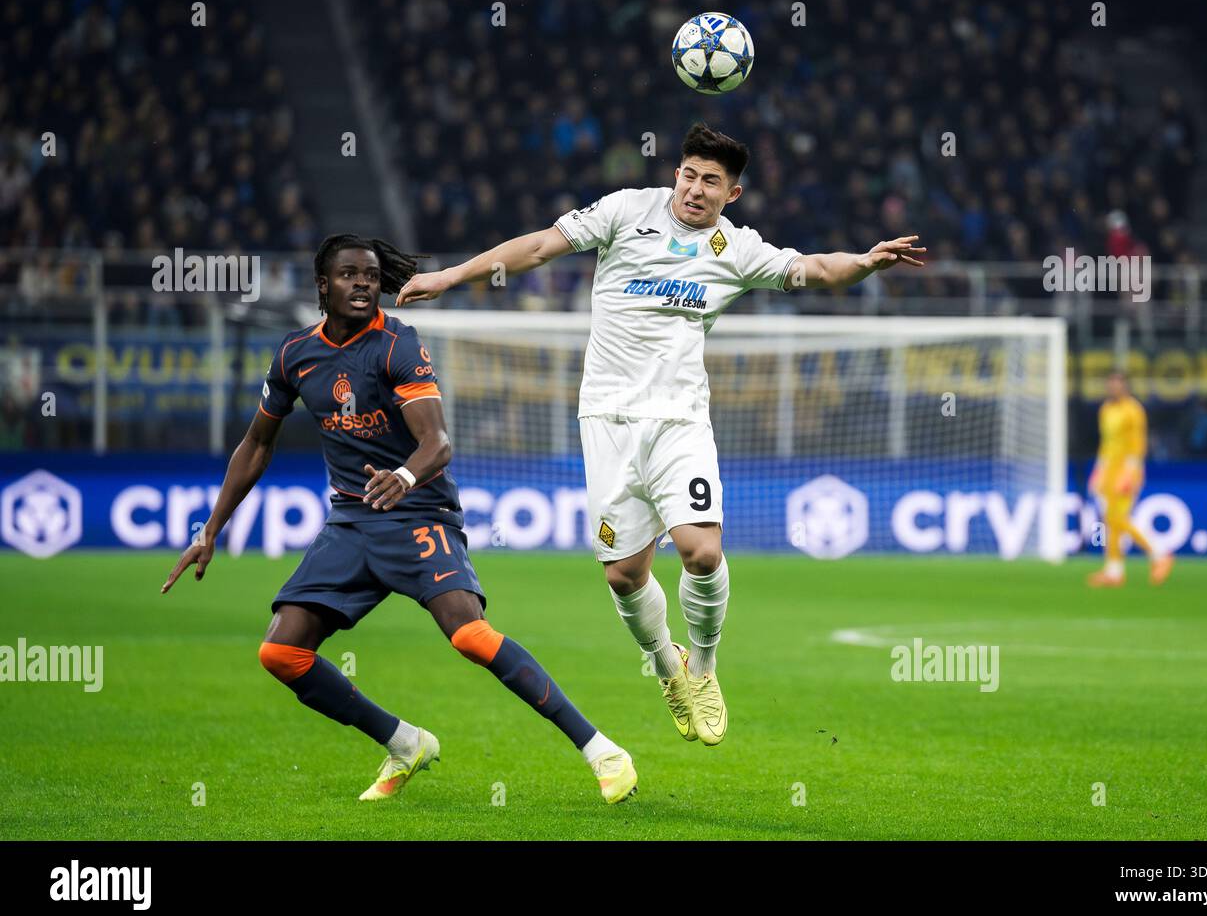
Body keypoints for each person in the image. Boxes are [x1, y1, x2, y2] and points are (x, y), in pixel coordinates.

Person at [396, 123, 925, 746]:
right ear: (676, 172)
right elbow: (539, 247)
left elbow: (816, 269)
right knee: (623, 574)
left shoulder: (738, 247)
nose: (696, 190)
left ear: (734, 193)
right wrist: (450, 277)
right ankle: (664, 665)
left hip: (680, 422)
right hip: (606, 420)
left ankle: (702, 666)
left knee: (701, 551)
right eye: (689, 174)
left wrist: (862, 263)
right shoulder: (625, 210)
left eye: (712, 182)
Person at [162, 234, 637, 804]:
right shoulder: (294, 355)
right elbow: (257, 443)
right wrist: (211, 529)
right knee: (281, 653)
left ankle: (601, 750)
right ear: (323, 285)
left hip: (418, 512)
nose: (362, 283)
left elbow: (436, 442)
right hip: (351, 523)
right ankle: (405, 742)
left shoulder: (396, 345)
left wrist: (405, 478)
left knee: (469, 635)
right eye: (348, 275)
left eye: (369, 275)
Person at [1087, 370, 1175, 587]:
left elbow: (1138, 446)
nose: (1113, 388)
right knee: (1111, 522)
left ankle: (1159, 554)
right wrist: (1098, 471)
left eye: (1117, 384)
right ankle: (1114, 572)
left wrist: (1129, 473)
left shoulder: (1133, 411)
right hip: (1109, 470)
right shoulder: (1106, 409)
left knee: (1118, 518)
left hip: (1127, 472)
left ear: (1125, 386)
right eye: (1110, 384)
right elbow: (1106, 444)